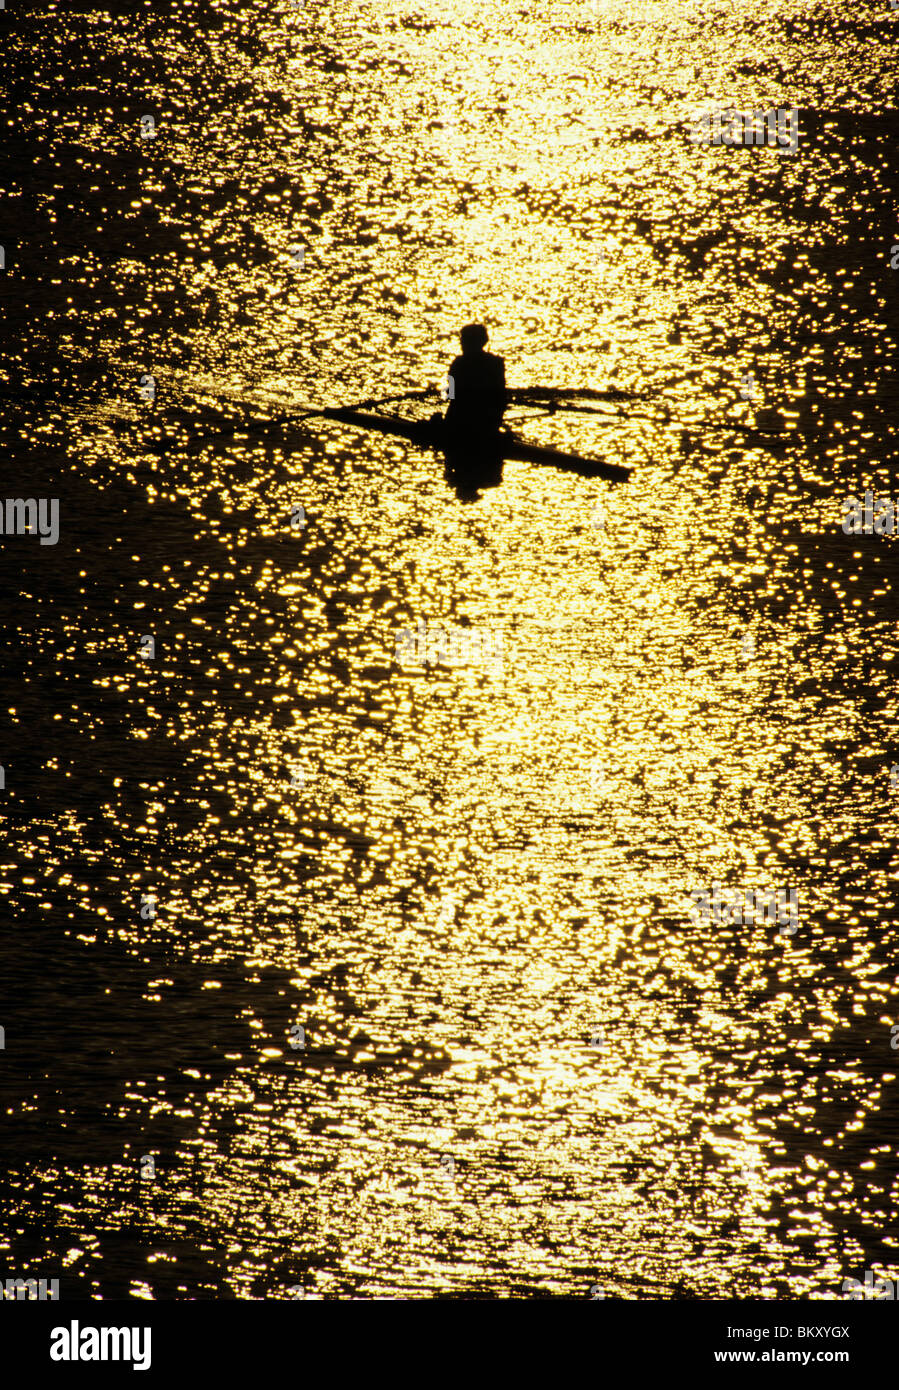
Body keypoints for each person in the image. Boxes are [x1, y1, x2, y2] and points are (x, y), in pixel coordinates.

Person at [444, 323, 507, 441]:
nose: (461, 343)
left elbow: (451, 395)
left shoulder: (457, 364)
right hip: (488, 425)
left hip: (460, 425)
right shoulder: (496, 363)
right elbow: (501, 398)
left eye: (463, 340)